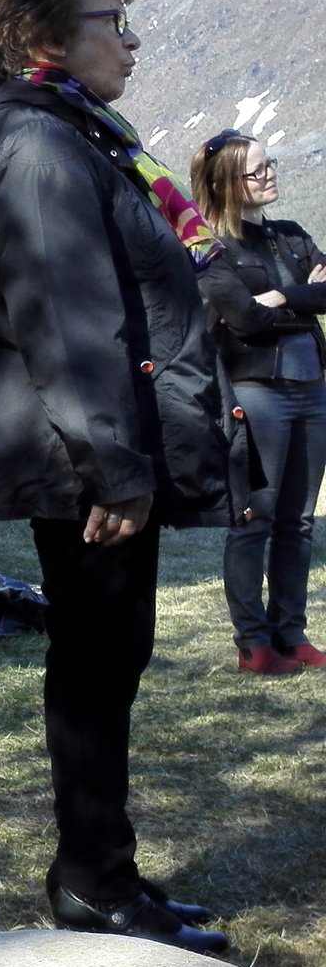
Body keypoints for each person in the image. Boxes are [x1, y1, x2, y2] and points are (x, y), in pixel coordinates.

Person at [0, 0, 231, 955]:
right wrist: (113, 469)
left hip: (95, 458)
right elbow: (67, 323)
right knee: (98, 664)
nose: (133, 39)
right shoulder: (40, 150)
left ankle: (101, 875)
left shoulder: (73, 140)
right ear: (44, 43)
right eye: (116, 20)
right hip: (86, 470)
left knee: (109, 660)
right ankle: (97, 886)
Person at [189, 128, 326, 672]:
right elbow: (242, 318)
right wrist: (299, 298)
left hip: (313, 389)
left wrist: (283, 295)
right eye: (256, 171)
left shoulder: (290, 235)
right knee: (255, 518)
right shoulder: (210, 251)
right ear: (225, 183)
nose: (269, 176)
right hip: (256, 395)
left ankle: (292, 634)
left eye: (271, 165)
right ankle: (254, 641)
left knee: (300, 522)